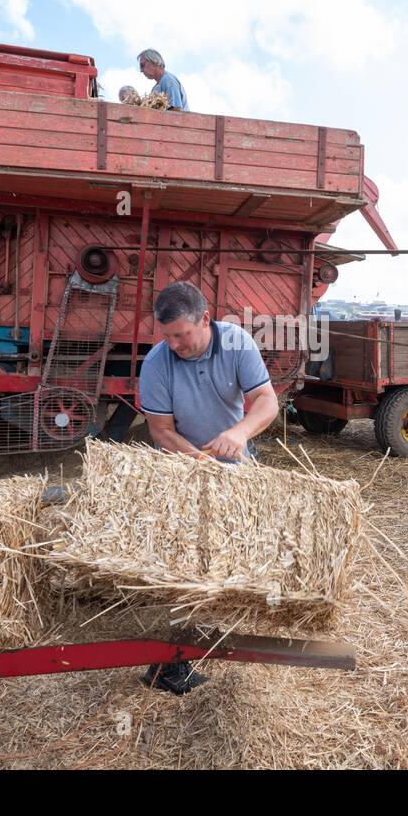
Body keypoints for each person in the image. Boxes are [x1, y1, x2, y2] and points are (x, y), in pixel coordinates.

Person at [135, 281, 279, 694]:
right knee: (186, 559)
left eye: (182, 334)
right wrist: (201, 462)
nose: (175, 344)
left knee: (231, 551)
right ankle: (170, 665)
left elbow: (266, 401)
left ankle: (217, 633)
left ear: (204, 318)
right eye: (167, 336)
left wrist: (239, 433)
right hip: (182, 466)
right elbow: (161, 431)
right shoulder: (157, 362)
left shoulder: (236, 343)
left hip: (235, 465)